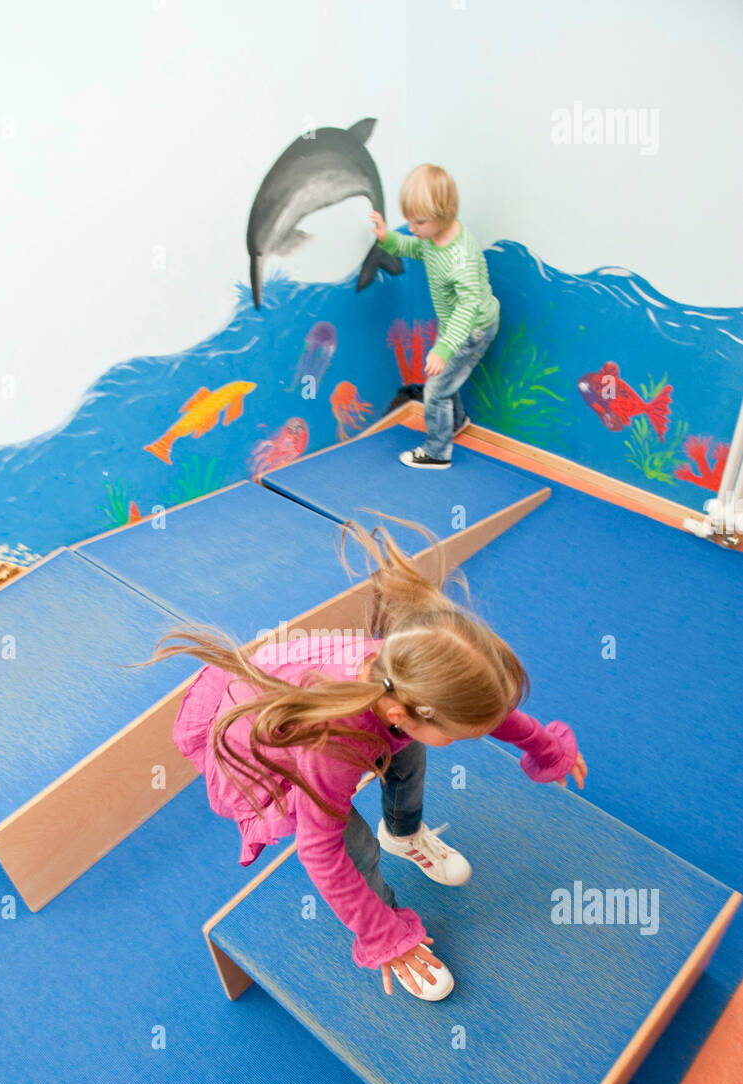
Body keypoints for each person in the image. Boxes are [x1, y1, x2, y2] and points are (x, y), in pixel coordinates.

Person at [145, 519, 586, 1002]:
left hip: (352, 708)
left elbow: (485, 712)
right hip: (272, 740)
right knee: (353, 846)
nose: (467, 740)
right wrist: (383, 937)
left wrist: (545, 747)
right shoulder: (332, 746)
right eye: (458, 736)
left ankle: (403, 834)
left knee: (409, 753)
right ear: (402, 713)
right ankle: (391, 923)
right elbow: (321, 852)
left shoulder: (412, 677)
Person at [371, 164, 500, 469]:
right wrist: (388, 239)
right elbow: (417, 248)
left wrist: (444, 348)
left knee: (435, 389)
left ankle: (437, 451)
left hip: (473, 328)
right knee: (445, 381)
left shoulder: (461, 258)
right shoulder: (434, 238)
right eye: (409, 221)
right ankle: (456, 421)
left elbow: (468, 308)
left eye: (419, 222)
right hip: (457, 324)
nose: (413, 228)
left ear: (442, 216)